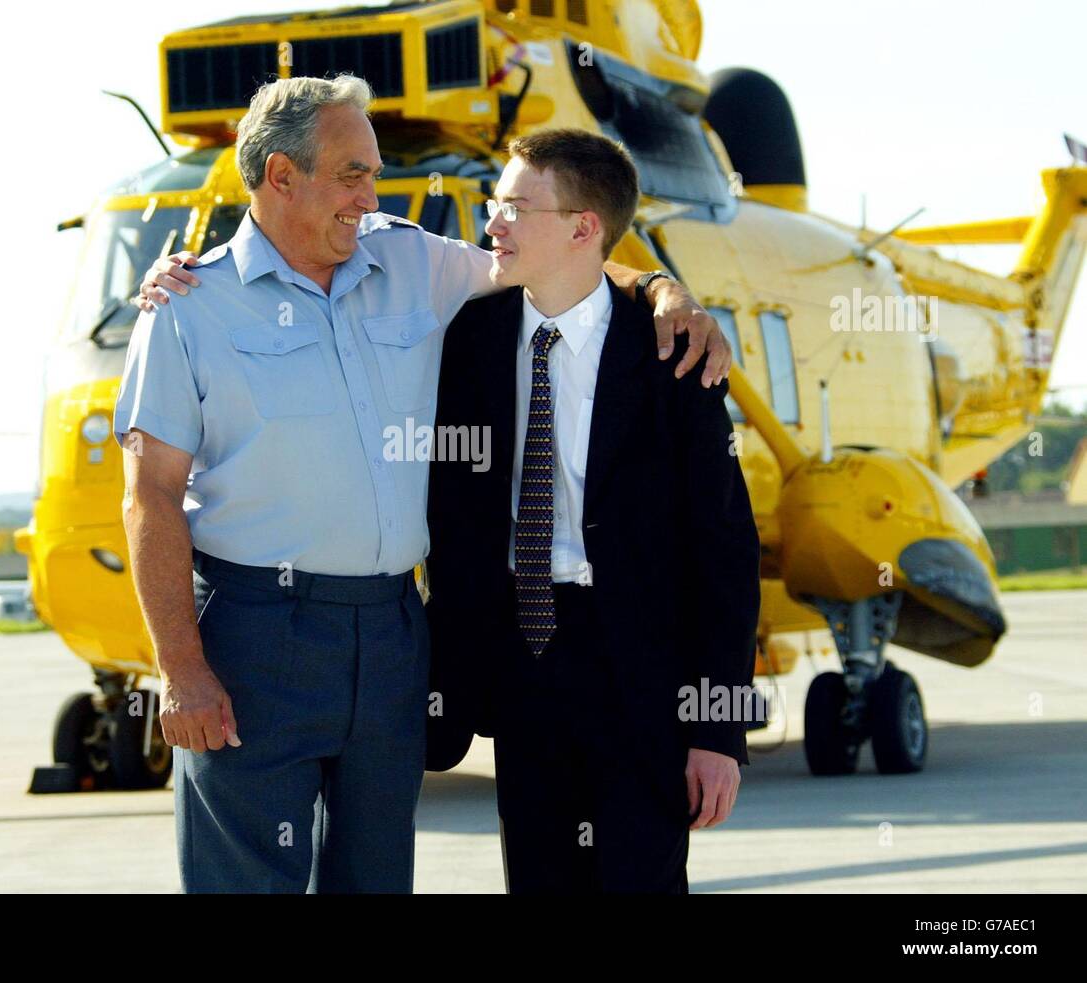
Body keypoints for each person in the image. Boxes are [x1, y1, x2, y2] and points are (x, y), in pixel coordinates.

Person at [119, 73, 731, 893]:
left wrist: (664, 289)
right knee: (245, 880)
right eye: (353, 174)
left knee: (374, 878)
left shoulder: (408, 258)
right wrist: (181, 668)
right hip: (254, 634)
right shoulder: (190, 307)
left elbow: (562, 268)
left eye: (373, 173)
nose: (371, 194)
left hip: (392, 633)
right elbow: (150, 494)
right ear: (280, 177)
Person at [423, 128, 762, 893]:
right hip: (522, 663)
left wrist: (718, 729)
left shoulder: (675, 351)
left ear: (583, 227)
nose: (493, 222)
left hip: (641, 679)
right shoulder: (466, 338)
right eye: (493, 202)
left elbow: (726, 552)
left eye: (515, 205)